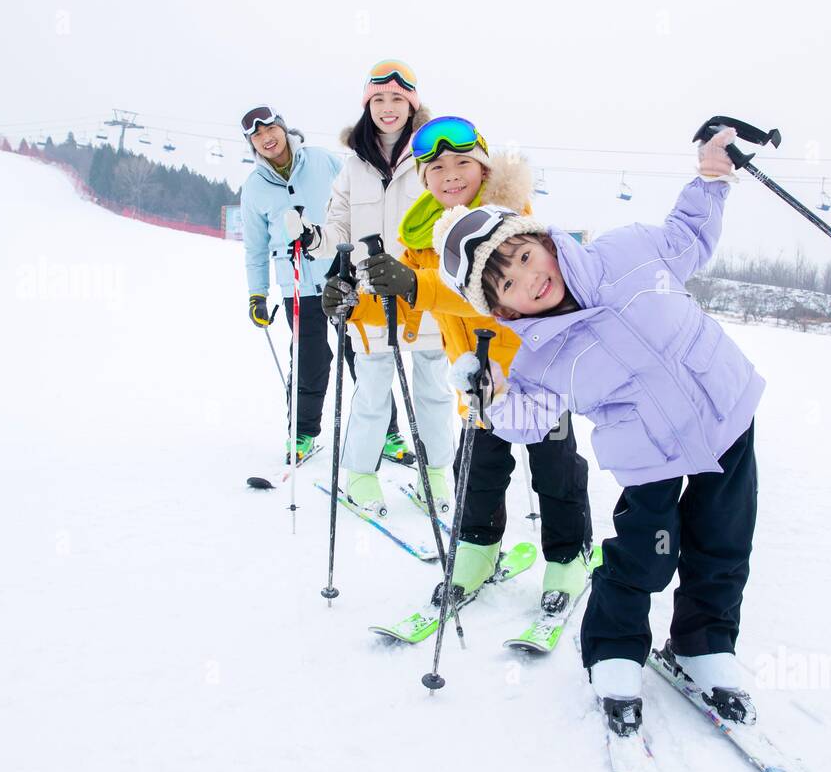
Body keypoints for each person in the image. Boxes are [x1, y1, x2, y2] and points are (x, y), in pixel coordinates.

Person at [435, 128, 766, 733]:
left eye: (525, 256)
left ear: (542, 240)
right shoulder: (539, 359)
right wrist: (491, 399)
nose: (530, 279)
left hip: (725, 413)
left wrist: (711, 177)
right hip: (649, 458)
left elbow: (687, 237)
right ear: (502, 310)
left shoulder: (629, 250)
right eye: (507, 283)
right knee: (644, 555)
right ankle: (614, 652)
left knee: (723, 544)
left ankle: (703, 646)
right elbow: (530, 420)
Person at [352, 115, 593, 608]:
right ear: (424, 180)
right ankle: (476, 552)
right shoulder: (421, 237)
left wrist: (415, 284)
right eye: (437, 169)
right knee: (478, 471)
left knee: (555, 470)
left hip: (535, 372)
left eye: (462, 163)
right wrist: (355, 302)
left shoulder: (507, 220)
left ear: (484, 168)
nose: (451, 176)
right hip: (477, 379)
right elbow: (410, 306)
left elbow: (480, 293)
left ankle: (570, 558)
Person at [314, 60, 451, 514]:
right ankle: (360, 475)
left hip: (424, 290)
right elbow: (339, 226)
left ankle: (435, 474)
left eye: (396, 99)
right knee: (372, 388)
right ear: (367, 105)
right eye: (378, 99)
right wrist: (315, 239)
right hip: (371, 293)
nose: (387, 108)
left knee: (433, 389)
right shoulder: (353, 166)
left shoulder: (432, 157)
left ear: (412, 105)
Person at [239, 105, 345, 464]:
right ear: (252, 144)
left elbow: (355, 204)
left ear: (283, 129)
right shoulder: (255, 188)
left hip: (341, 276)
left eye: (270, 129)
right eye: (257, 135)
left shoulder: (321, 160)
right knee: (309, 361)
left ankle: (386, 432)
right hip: (297, 286)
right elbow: (255, 248)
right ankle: (302, 434)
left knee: (363, 355)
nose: (266, 138)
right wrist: (257, 294)